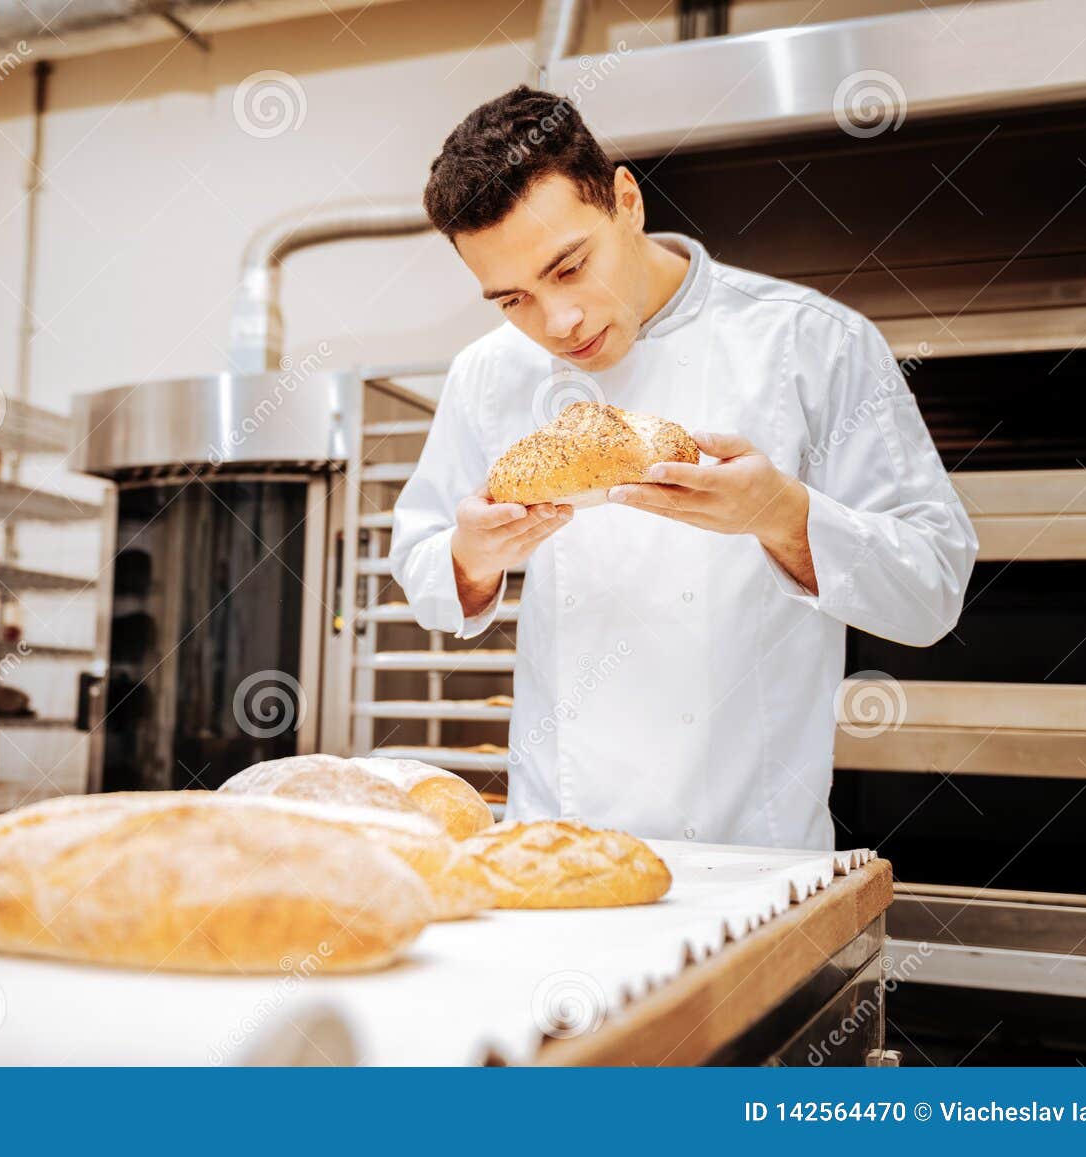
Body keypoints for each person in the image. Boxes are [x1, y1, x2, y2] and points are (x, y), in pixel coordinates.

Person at [390, 86, 977, 849]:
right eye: (513, 300)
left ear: (626, 201)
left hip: (753, 857)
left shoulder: (813, 343)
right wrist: (472, 557)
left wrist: (778, 515)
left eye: (570, 268)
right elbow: (425, 566)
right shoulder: (488, 374)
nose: (557, 323)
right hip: (556, 846)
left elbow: (931, 589)